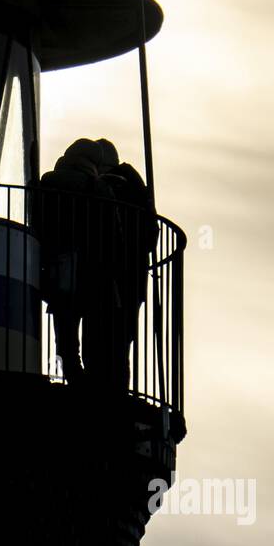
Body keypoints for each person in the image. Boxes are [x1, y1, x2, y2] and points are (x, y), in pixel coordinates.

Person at [38, 139, 155, 392]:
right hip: (96, 276)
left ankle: (77, 380)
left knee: (67, 339)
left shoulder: (47, 183)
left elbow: (37, 228)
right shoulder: (98, 188)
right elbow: (116, 235)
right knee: (111, 342)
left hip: (59, 274)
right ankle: (107, 392)